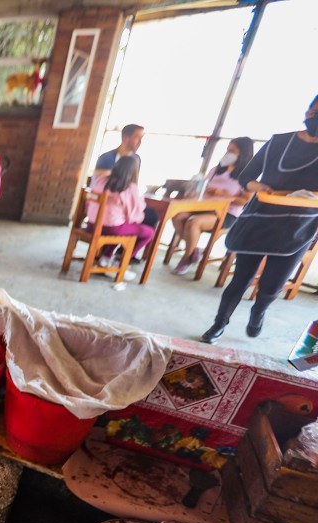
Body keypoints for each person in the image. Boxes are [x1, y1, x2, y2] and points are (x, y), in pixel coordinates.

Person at [201, 95, 318, 344]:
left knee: (271, 286)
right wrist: (261, 187)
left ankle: (259, 311)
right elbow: (246, 177)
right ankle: (219, 324)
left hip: (300, 227)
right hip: (260, 219)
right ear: (308, 111)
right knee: (240, 278)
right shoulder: (279, 142)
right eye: (314, 111)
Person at [169, 137, 255, 275]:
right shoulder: (216, 170)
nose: (228, 153)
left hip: (228, 214)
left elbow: (245, 200)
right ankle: (193, 251)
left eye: (232, 151)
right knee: (178, 216)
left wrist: (223, 194)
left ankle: (186, 258)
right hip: (204, 208)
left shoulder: (247, 176)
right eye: (227, 150)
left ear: (243, 153)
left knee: (193, 223)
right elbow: (203, 187)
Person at [86, 156, 156, 278]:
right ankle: (121, 262)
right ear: (134, 171)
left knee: (122, 226)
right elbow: (134, 215)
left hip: (91, 224)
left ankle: (106, 257)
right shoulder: (130, 188)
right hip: (111, 228)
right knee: (148, 232)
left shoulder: (102, 180)